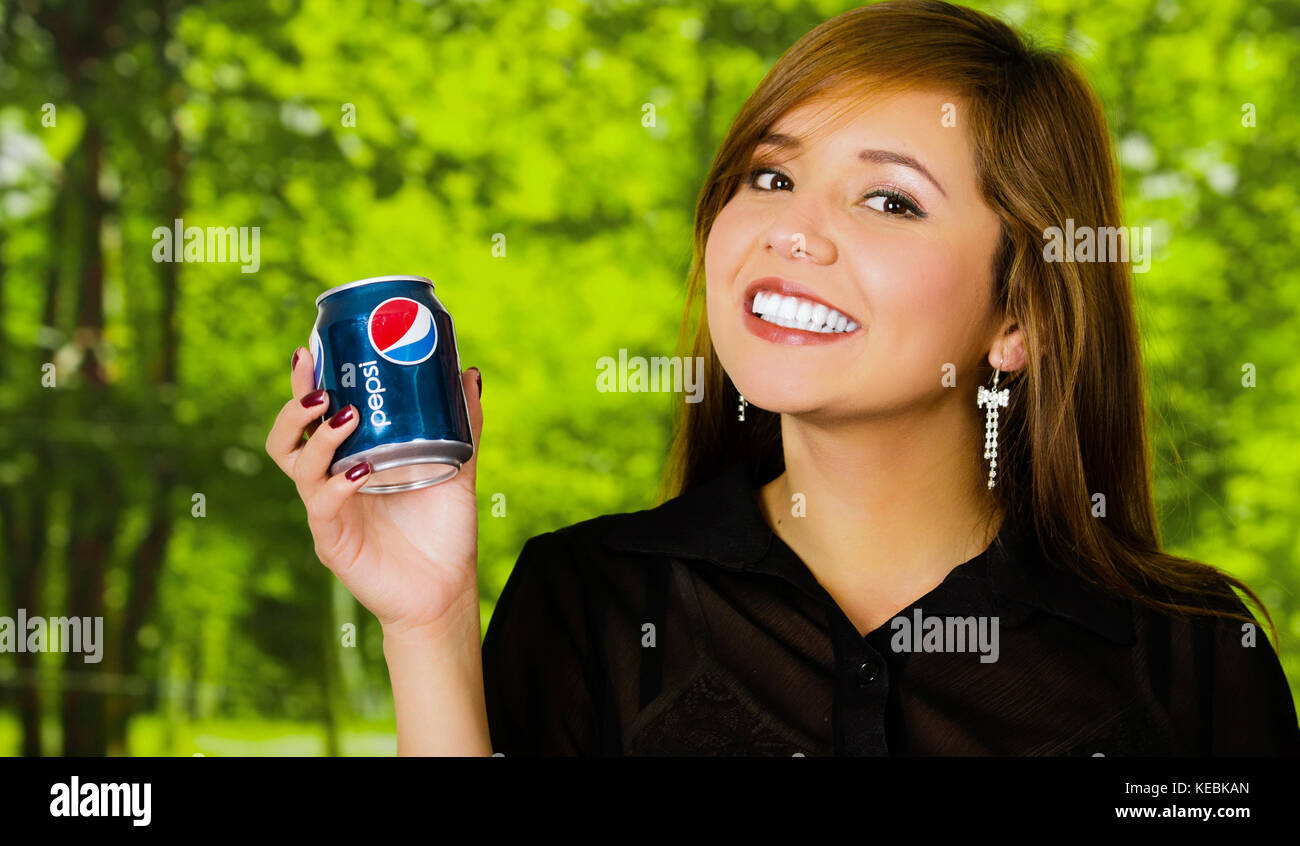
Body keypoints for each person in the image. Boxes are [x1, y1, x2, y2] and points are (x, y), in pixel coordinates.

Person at [264, 0, 1300, 755]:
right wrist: (427, 624)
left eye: (888, 202)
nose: (791, 232)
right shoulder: (592, 605)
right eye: (771, 175)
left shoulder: (1193, 662)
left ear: (1018, 317)